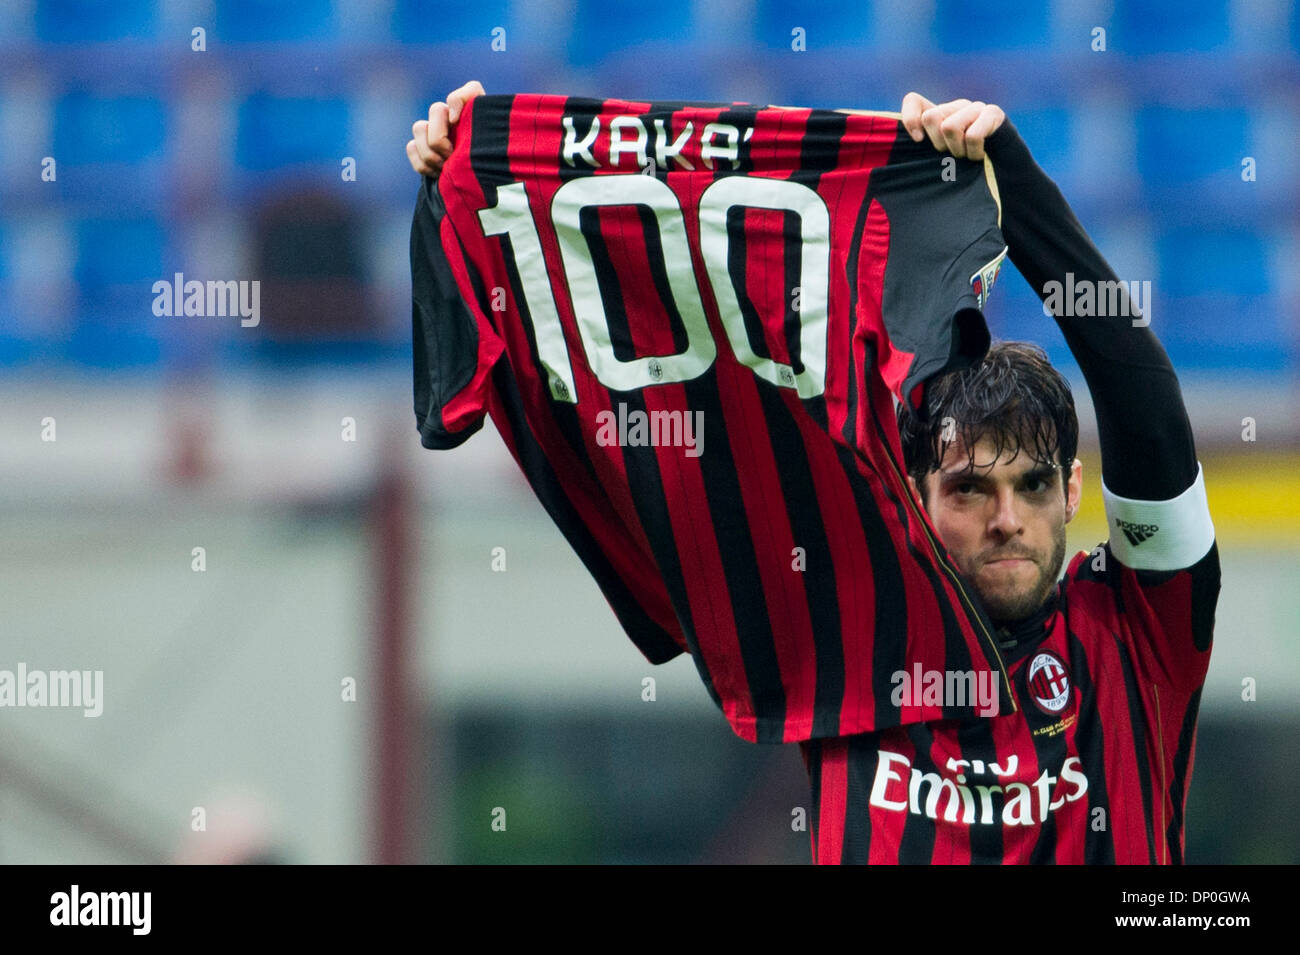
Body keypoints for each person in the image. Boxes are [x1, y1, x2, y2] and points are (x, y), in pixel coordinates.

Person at [408, 84, 1220, 864]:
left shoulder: (1139, 628)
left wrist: (1010, 179)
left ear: (1074, 490)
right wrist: (480, 171)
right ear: (916, 494)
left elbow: (1142, 399)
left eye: (1033, 485)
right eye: (969, 489)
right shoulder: (845, 612)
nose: (1007, 517)